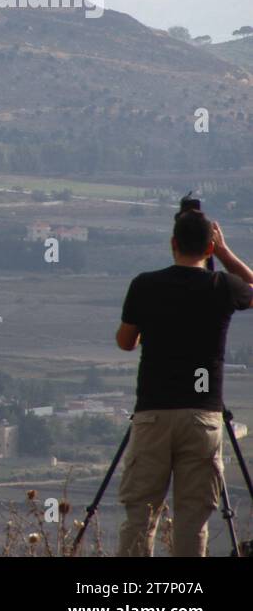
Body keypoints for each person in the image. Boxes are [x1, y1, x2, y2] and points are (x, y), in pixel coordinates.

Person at [115, 210, 253, 556]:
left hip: (154, 413)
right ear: (209, 246)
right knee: (193, 518)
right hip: (202, 416)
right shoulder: (223, 286)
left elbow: (126, 342)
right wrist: (225, 254)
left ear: (173, 243)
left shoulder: (145, 284)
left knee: (140, 513)